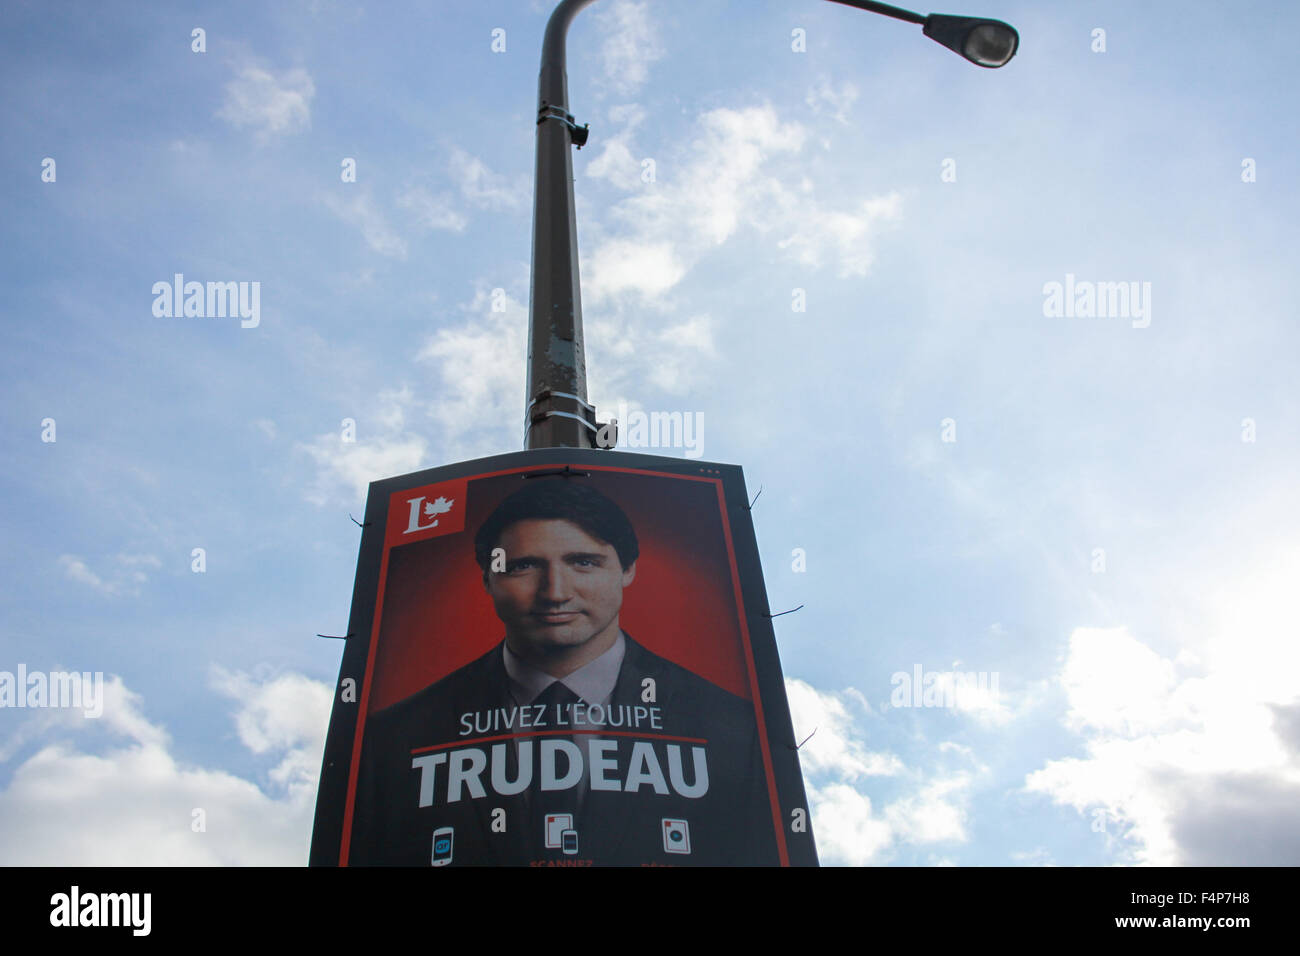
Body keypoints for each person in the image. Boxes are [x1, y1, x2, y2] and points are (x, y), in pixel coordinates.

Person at [348, 478, 778, 866]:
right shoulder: (394, 739)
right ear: (487, 578)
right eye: (523, 566)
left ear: (627, 570)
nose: (555, 593)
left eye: (583, 562)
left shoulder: (735, 728)